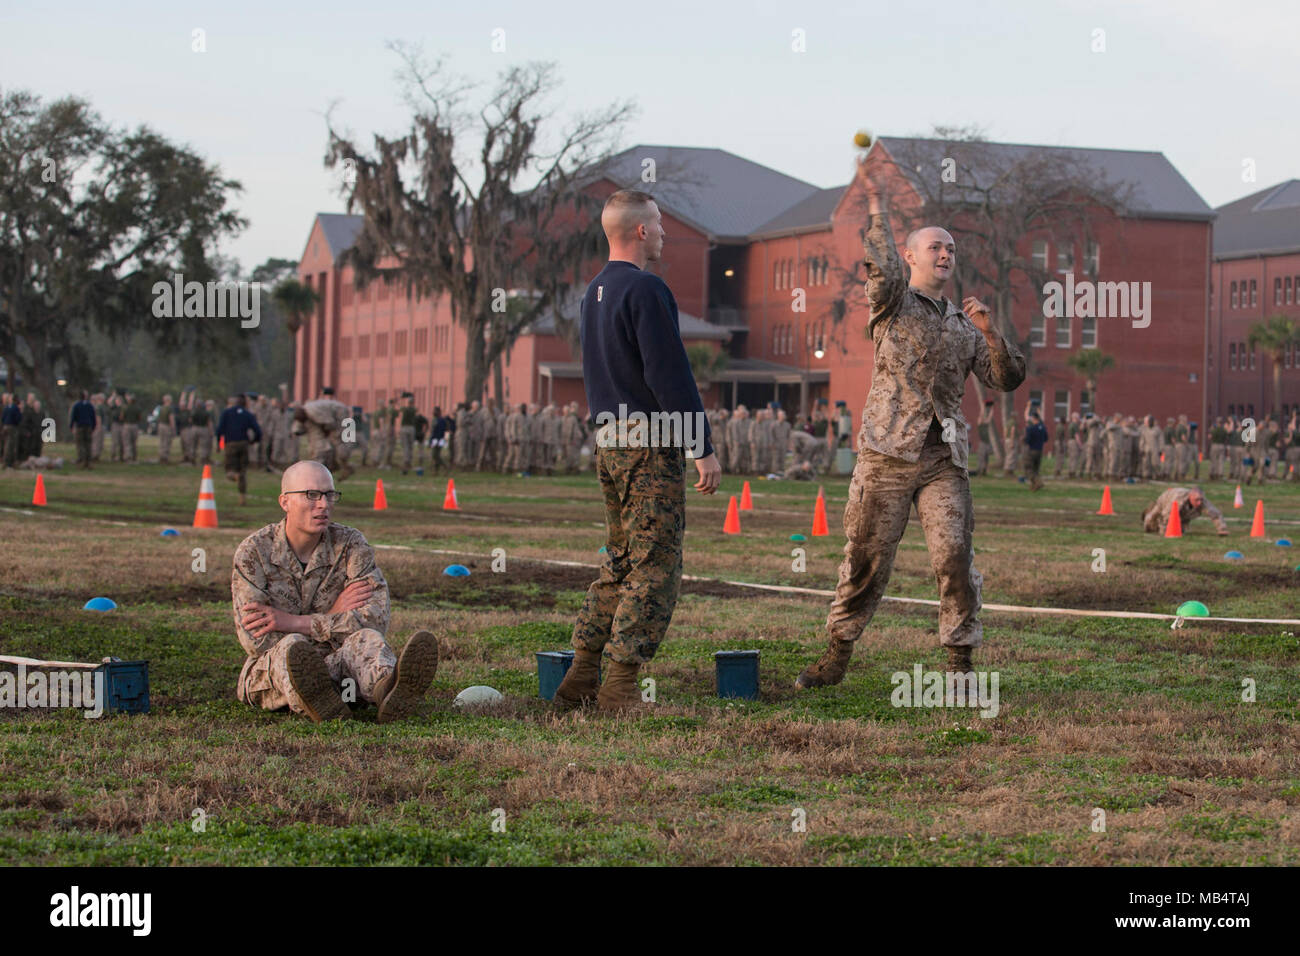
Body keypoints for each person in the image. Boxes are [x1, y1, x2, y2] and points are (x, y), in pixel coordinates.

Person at [795, 165, 1025, 689]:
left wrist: (991, 334)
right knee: (867, 559)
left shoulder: (964, 324)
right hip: (887, 454)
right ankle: (837, 653)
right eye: (936, 247)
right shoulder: (893, 303)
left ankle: (960, 665)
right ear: (911, 256)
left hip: (943, 458)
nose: (946, 254)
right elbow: (879, 266)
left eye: (951, 249)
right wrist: (877, 207)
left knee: (955, 558)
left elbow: (1005, 379)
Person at [552, 189, 721, 713]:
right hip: (649, 441)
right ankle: (621, 687)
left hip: (609, 439)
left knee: (620, 560)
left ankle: (581, 675)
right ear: (641, 231)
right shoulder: (647, 289)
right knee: (655, 564)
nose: (665, 231)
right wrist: (702, 446)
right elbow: (669, 376)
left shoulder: (594, 291)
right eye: (659, 223)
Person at [231, 460, 439, 723]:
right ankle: (319, 699)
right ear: (285, 502)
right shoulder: (254, 552)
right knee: (292, 648)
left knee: (366, 639)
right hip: (273, 673)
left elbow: (375, 618)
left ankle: (387, 690)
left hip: (338, 663)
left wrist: (294, 622)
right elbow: (257, 641)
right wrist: (333, 615)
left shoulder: (351, 544)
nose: (323, 504)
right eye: (312, 495)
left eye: (329, 495)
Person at [216, 393, 263, 506]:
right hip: (243, 444)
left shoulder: (227, 413)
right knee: (243, 472)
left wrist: (218, 443)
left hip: (231, 444)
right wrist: (254, 440)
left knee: (229, 471)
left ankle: (234, 476)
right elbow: (258, 430)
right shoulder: (248, 414)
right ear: (245, 403)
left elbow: (219, 430)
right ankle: (242, 499)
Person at [1141, 486, 1229, 535]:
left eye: (1201, 500)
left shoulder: (1202, 501)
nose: (1199, 503)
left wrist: (1222, 529)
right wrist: (1164, 531)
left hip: (1183, 512)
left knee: (1181, 530)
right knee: (1150, 524)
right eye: (1196, 500)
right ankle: (1147, 514)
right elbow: (1167, 514)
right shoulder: (1179, 498)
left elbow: (1215, 514)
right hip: (1164, 501)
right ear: (1190, 496)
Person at [69, 390, 97, 469]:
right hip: (88, 426)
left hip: (80, 427)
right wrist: (93, 427)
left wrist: (71, 426)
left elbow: (73, 417)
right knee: (88, 444)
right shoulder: (90, 405)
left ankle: (82, 460)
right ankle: (88, 460)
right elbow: (93, 417)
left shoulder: (77, 405)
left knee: (80, 444)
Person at [1023, 412, 1047, 490]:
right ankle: (1034, 486)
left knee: (1028, 468)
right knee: (1036, 469)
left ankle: (1038, 482)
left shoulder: (1031, 428)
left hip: (1032, 450)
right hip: (1039, 450)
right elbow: (1046, 438)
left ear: (1033, 419)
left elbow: (1027, 440)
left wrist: (1024, 439)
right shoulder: (1043, 428)